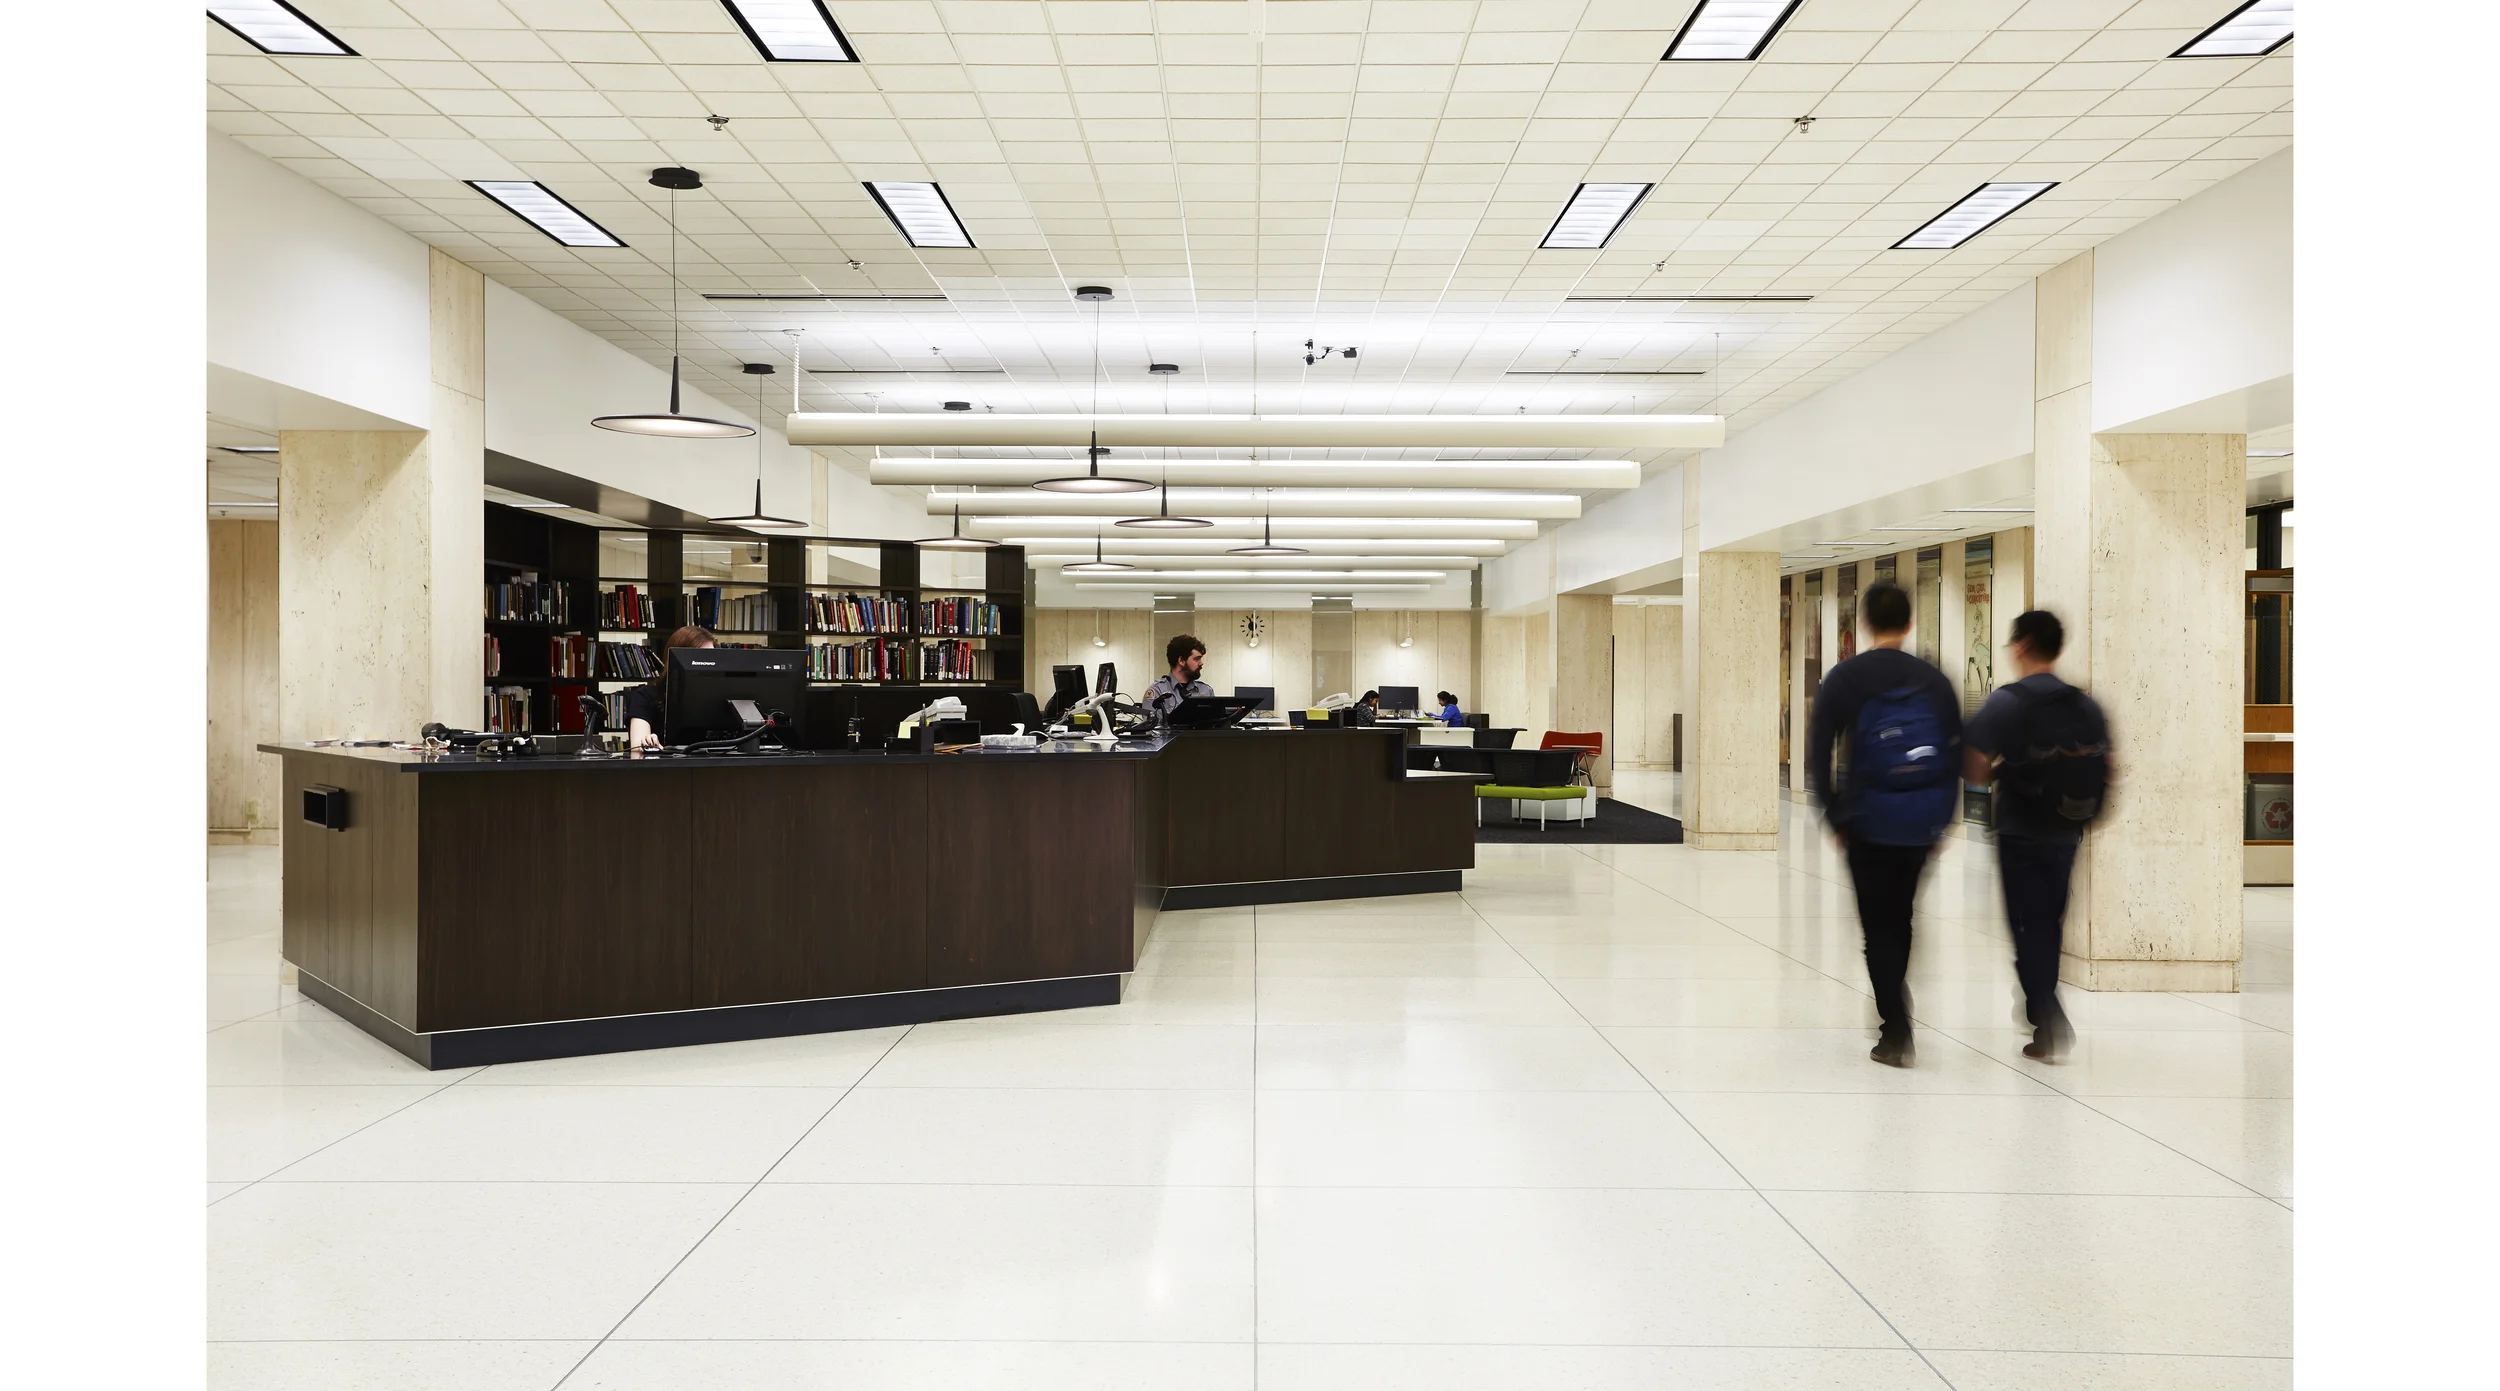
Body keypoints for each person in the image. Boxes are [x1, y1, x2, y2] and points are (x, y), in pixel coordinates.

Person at [1807, 580, 1962, 1068]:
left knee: (1877, 926)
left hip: (1867, 820)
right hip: (1919, 821)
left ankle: (1895, 1026)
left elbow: (1819, 753)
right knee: (1902, 917)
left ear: (1865, 623)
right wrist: (1942, 819)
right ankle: (1895, 1004)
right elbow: (1954, 754)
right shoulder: (1933, 680)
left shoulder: (1845, 679)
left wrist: (1835, 814)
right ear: (1909, 623)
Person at [1964, 609, 2113, 1064]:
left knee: (2024, 928)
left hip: (2019, 832)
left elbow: (1973, 763)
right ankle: (2041, 1012)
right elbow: (2108, 767)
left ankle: (2047, 1013)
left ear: (2023, 645)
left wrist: (1998, 772)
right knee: (2048, 924)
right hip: (2066, 829)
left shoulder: (2007, 702)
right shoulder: (2084, 705)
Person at [622, 625, 717, 751]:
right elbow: (637, 745)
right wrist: (647, 743)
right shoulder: (645, 696)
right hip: (664, 762)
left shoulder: (718, 697)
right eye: (700, 658)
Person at [1142, 633, 1213, 722]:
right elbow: (1150, 727)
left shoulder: (1206, 691)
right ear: (1181, 661)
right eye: (1196, 659)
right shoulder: (1157, 692)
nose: (1201, 663)